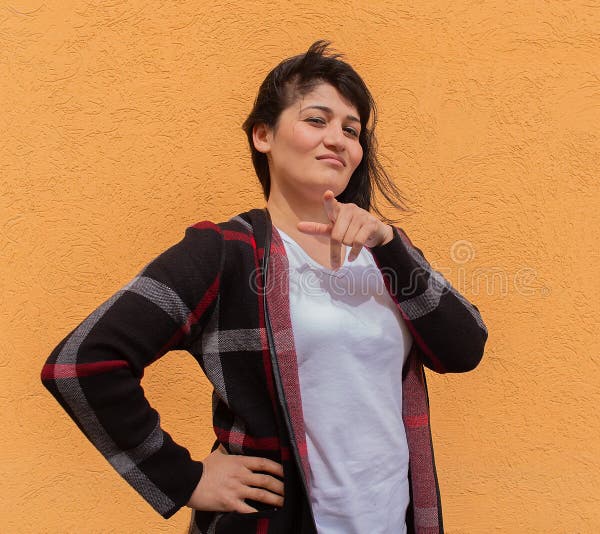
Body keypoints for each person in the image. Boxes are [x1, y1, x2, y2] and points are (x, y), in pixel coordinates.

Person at [41, 40, 488, 534]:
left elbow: (464, 349)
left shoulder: (385, 253)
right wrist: (182, 478)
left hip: (393, 521)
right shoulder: (225, 251)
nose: (338, 139)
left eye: (352, 129)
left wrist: (388, 244)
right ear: (263, 135)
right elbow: (81, 363)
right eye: (316, 120)